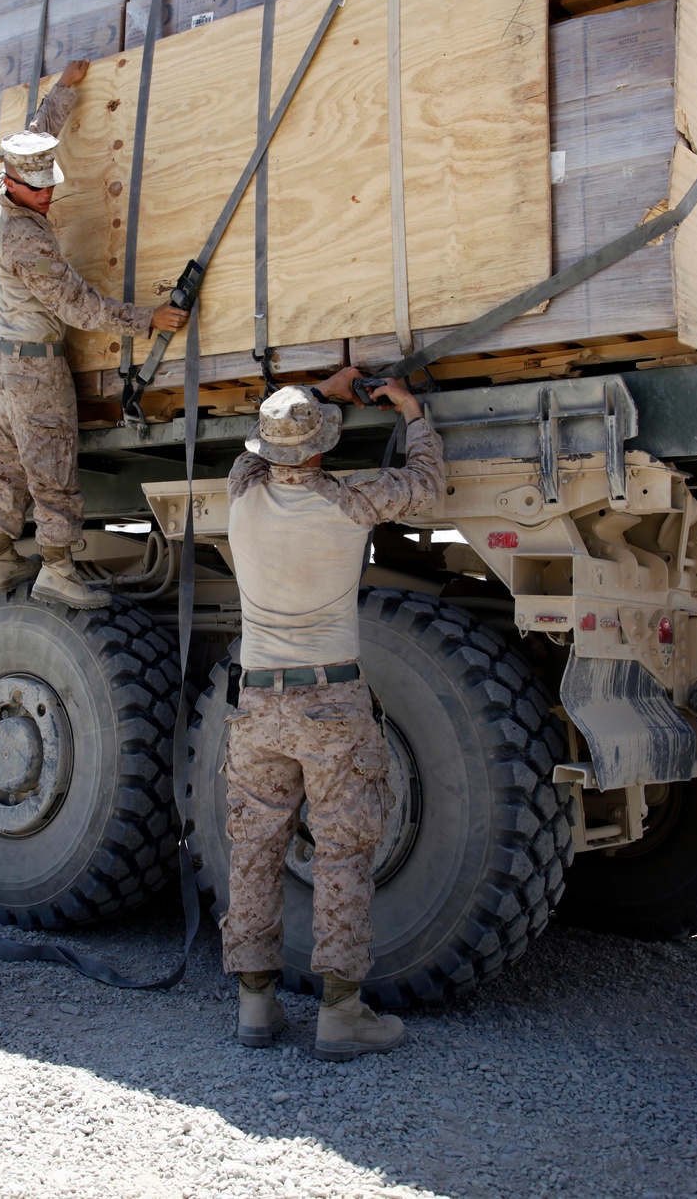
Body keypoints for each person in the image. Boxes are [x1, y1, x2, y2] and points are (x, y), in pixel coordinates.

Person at [223, 366, 445, 1059]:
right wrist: (409, 408)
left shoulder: (240, 495)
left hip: (257, 700)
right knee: (345, 850)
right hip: (331, 701)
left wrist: (316, 390)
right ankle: (341, 1014)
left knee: (256, 846)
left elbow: (258, 444)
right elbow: (428, 482)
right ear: (322, 448)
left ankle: (255, 1006)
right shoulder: (351, 503)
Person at [0, 60, 189, 609]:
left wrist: (62, 93)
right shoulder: (26, 241)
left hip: (5, 362)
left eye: (49, 184)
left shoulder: (3, 196)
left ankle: (0, 560)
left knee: (6, 464)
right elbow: (78, 305)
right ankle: (56, 570)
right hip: (33, 368)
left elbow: (35, 137)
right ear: (12, 184)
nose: (48, 195)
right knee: (51, 466)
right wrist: (148, 318)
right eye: (38, 189)